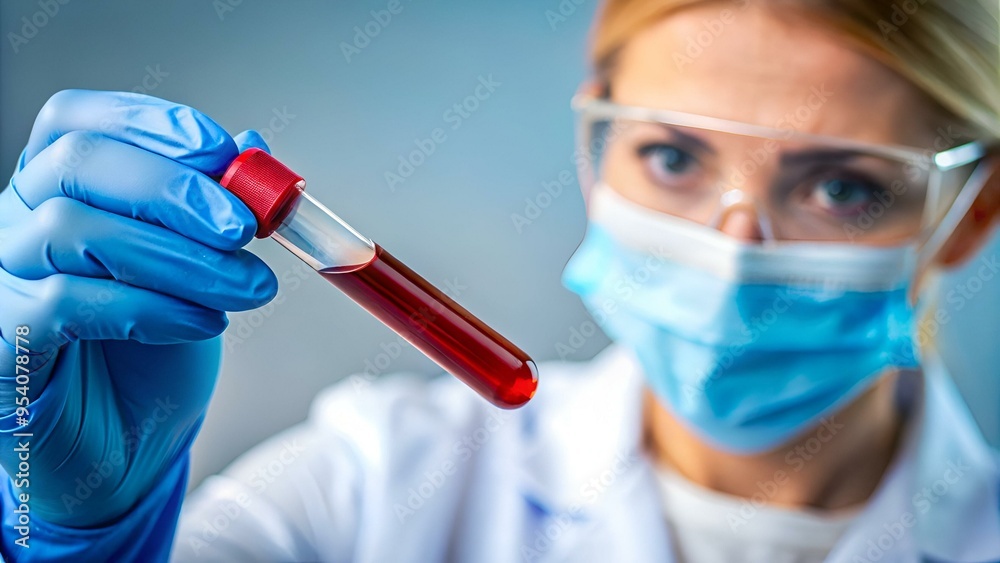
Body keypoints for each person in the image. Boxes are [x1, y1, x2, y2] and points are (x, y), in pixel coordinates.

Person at [1, 0, 998, 561]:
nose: (732, 245)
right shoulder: (377, 480)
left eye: (840, 183)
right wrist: (81, 530)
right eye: (672, 157)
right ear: (592, 149)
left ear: (971, 214)